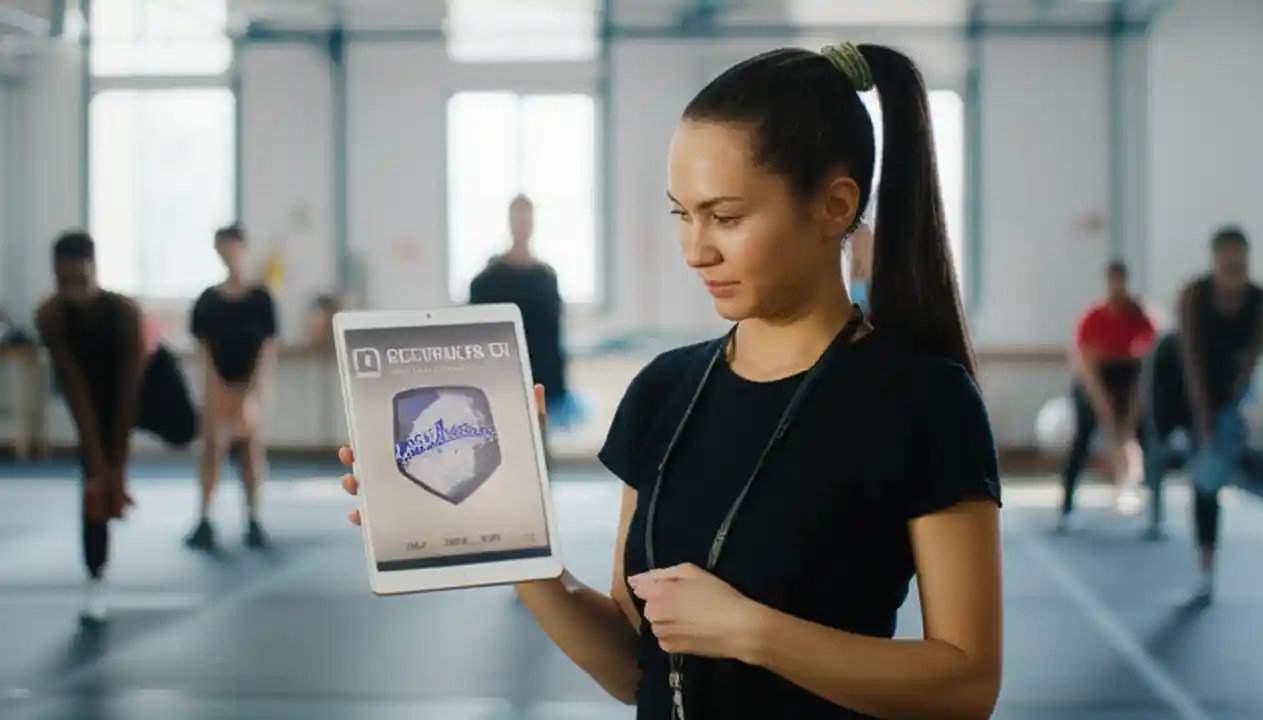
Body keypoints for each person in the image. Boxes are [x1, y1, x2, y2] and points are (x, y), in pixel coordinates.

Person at [340, 43, 1003, 719]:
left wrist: (753, 632)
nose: (696, 250)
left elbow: (967, 682)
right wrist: (513, 546)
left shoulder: (924, 401)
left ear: (834, 205)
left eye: (726, 217)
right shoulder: (665, 391)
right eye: (682, 215)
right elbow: (638, 665)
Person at [34, 231, 146, 621]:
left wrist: (120, 465)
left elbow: (129, 394)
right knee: (91, 478)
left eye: (81, 282)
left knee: (185, 426)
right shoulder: (50, 315)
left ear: (95, 272)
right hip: (92, 400)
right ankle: (96, 574)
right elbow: (76, 394)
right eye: (65, 284)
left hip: (141, 385)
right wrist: (103, 472)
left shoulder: (125, 312)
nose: (75, 293)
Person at [1167, 226, 1263, 600]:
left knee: (1224, 463)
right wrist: (1203, 419)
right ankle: (1205, 563)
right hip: (1185, 383)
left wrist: (1234, 406)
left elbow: (1254, 355)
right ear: (1215, 263)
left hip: (1232, 387)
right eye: (1227, 266)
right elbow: (1191, 360)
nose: (1234, 273)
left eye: (1240, 266)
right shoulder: (1193, 296)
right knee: (1203, 480)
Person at [185, 224, 279, 551]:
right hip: (218, 386)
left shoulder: (260, 298)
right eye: (221, 251)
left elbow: (267, 348)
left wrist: (253, 392)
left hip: (250, 386)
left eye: (232, 249)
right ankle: (204, 519)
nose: (228, 256)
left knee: (252, 452)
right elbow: (204, 351)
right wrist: (216, 390)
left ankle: (254, 519)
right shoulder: (208, 301)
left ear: (242, 249)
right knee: (212, 450)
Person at [1058, 261, 1157, 532]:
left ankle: (1153, 511)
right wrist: (1107, 414)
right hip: (1095, 383)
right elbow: (1087, 370)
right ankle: (1066, 508)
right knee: (1082, 438)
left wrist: (1128, 419)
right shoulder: (1093, 318)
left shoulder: (1140, 317)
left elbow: (1145, 371)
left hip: (1129, 382)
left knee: (1147, 437)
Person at [468, 195, 577, 430]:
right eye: (518, 218)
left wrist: (558, 389)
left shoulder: (546, 279)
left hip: (540, 385)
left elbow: (554, 339)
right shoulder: (487, 282)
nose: (522, 224)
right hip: (499, 383)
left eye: (527, 218)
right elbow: (474, 338)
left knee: (541, 450)